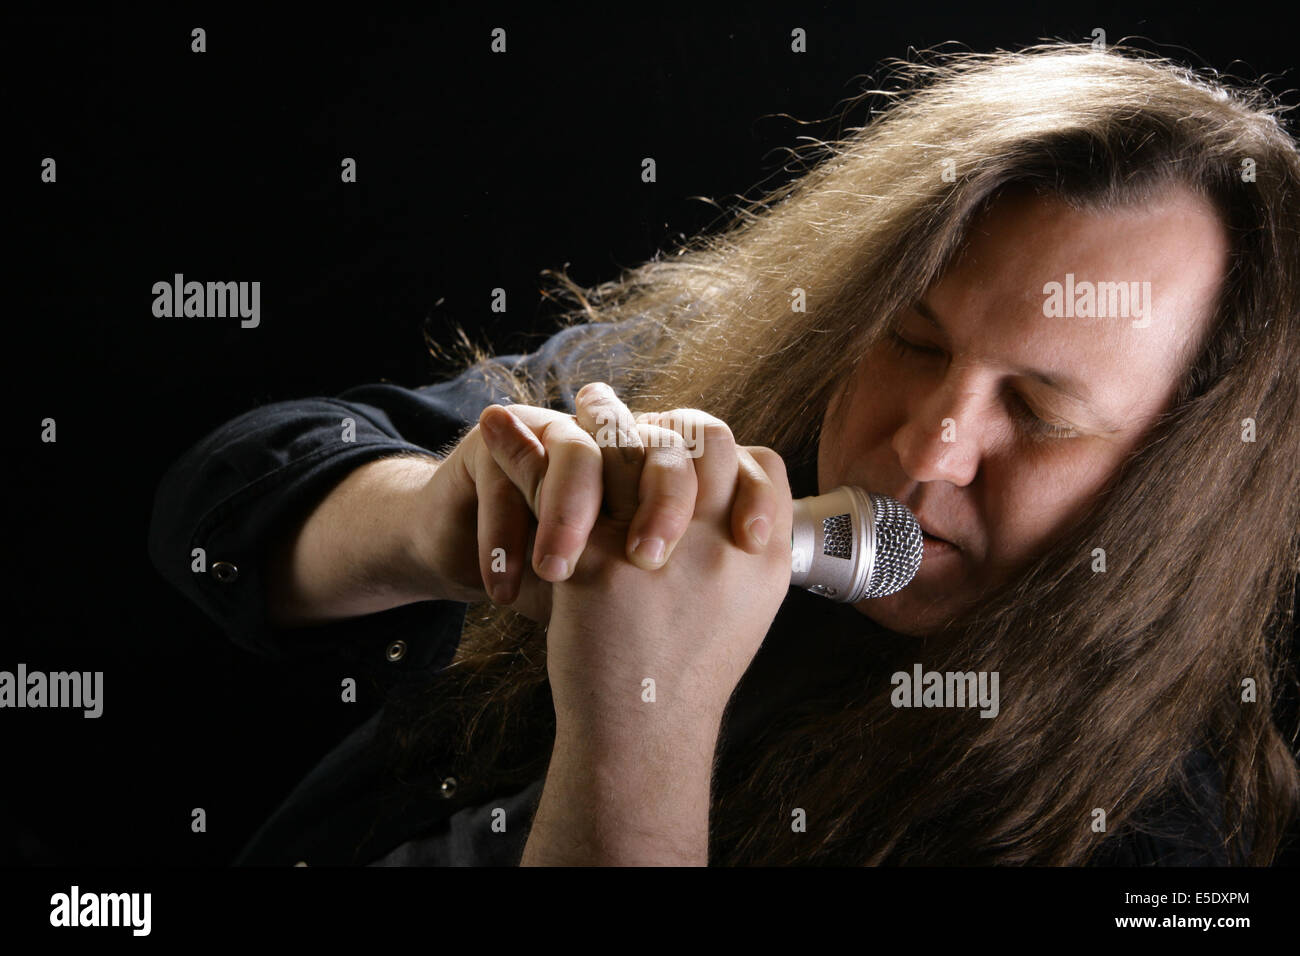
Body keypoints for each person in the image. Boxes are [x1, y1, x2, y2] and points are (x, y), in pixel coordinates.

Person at [148, 41, 1300, 866]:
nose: (926, 447)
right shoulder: (721, 383)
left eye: (1040, 412)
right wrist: (422, 524)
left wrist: (639, 723)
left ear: (1183, 479)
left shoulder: (1148, 839)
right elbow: (207, 511)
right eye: (911, 338)